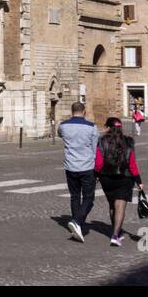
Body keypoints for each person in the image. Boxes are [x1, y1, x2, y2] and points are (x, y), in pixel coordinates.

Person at [94, 117, 143, 247]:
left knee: (111, 205)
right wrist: (139, 181)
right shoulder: (129, 142)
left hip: (106, 177)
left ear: (108, 127)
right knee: (120, 206)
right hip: (125, 178)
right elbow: (132, 164)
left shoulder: (102, 141)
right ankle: (115, 235)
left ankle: (116, 231)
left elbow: (98, 163)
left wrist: (97, 175)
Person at [57, 101, 100, 243]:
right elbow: (95, 148)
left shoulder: (63, 126)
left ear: (71, 111)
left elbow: (60, 135)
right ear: (84, 112)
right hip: (87, 166)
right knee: (89, 198)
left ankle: (77, 225)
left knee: (75, 196)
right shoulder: (92, 127)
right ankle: (77, 221)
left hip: (70, 166)